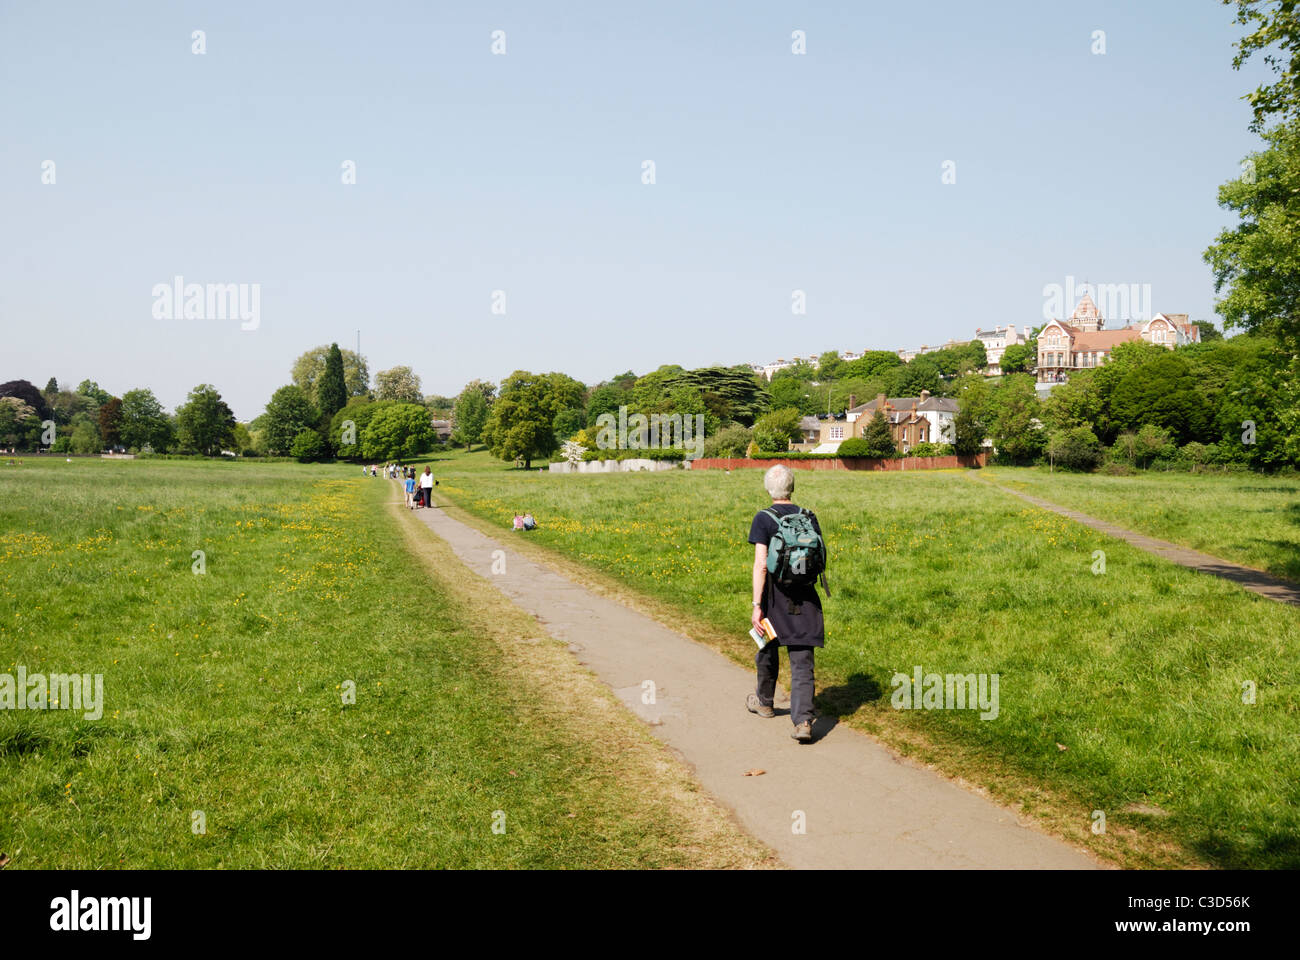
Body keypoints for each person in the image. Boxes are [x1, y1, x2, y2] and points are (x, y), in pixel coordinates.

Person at [746, 464, 825, 743]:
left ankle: (764, 703)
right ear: (792, 488)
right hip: (805, 597)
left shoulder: (763, 518)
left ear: (769, 489)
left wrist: (757, 604)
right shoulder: (808, 516)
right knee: (802, 659)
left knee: (767, 648)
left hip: (773, 597)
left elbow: (761, 565)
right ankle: (803, 721)